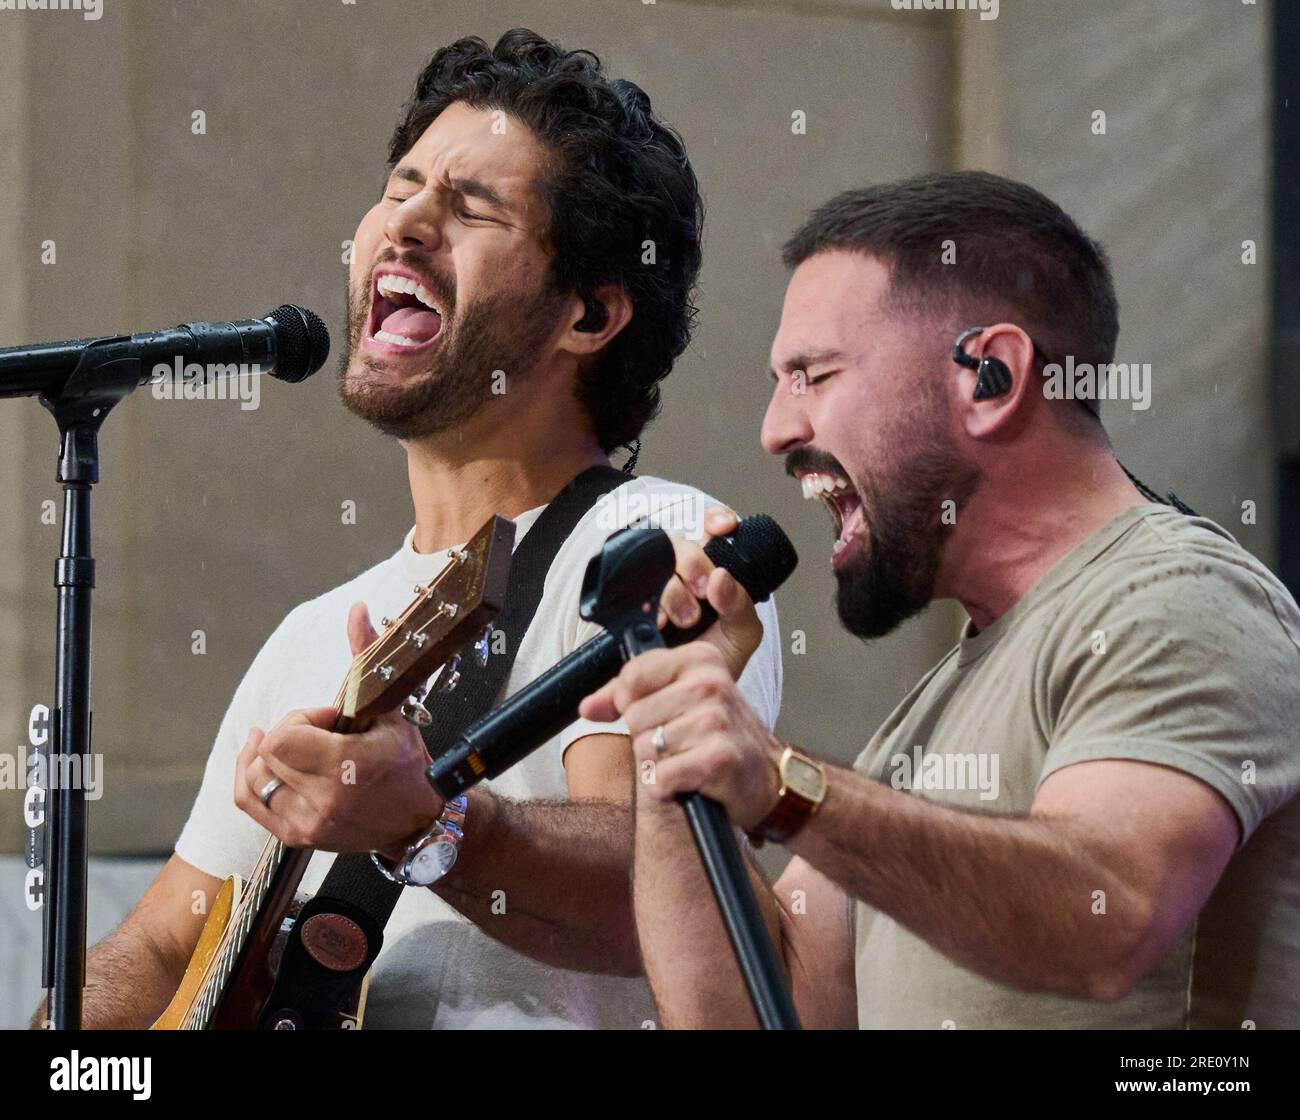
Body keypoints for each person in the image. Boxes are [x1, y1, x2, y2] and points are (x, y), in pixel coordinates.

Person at [35, 29, 781, 1030]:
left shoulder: (649, 545)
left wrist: (435, 824)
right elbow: (171, 940)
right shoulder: (313, 631)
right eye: (401, 186)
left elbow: (670, 877)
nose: (406, 224)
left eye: (471, 207)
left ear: (589, 316)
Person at [582, 171, 1300, 1029]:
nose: (776, 428)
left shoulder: (1179, 600)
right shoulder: (939, 701)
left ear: (989, 376)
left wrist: (782, 785)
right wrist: (673, 743)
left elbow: (1105, 914)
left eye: (813, 374)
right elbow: (744, 1008)